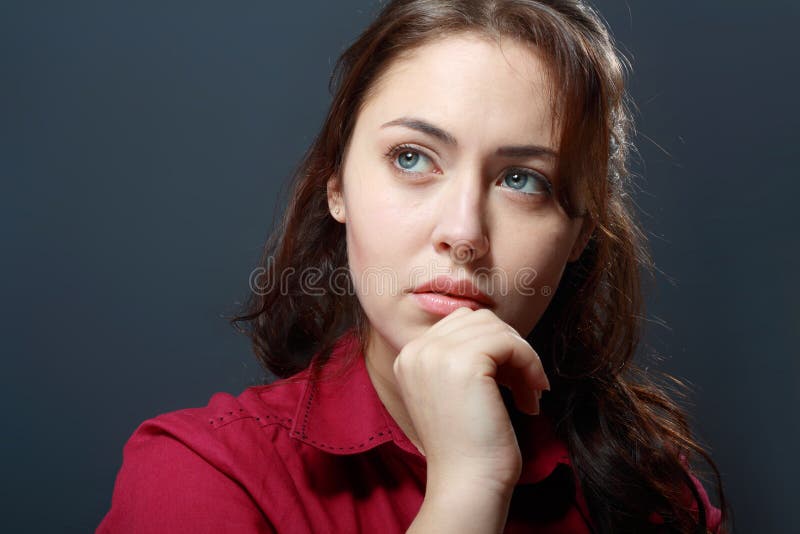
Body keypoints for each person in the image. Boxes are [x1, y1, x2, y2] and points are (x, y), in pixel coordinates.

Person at [98, 0, 728, 532]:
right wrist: (468, 486)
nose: (463, 233)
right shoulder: (201, 476)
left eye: (521, 179)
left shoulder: (654, 496)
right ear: (336, 185)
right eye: (411, 158)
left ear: (579, 236)